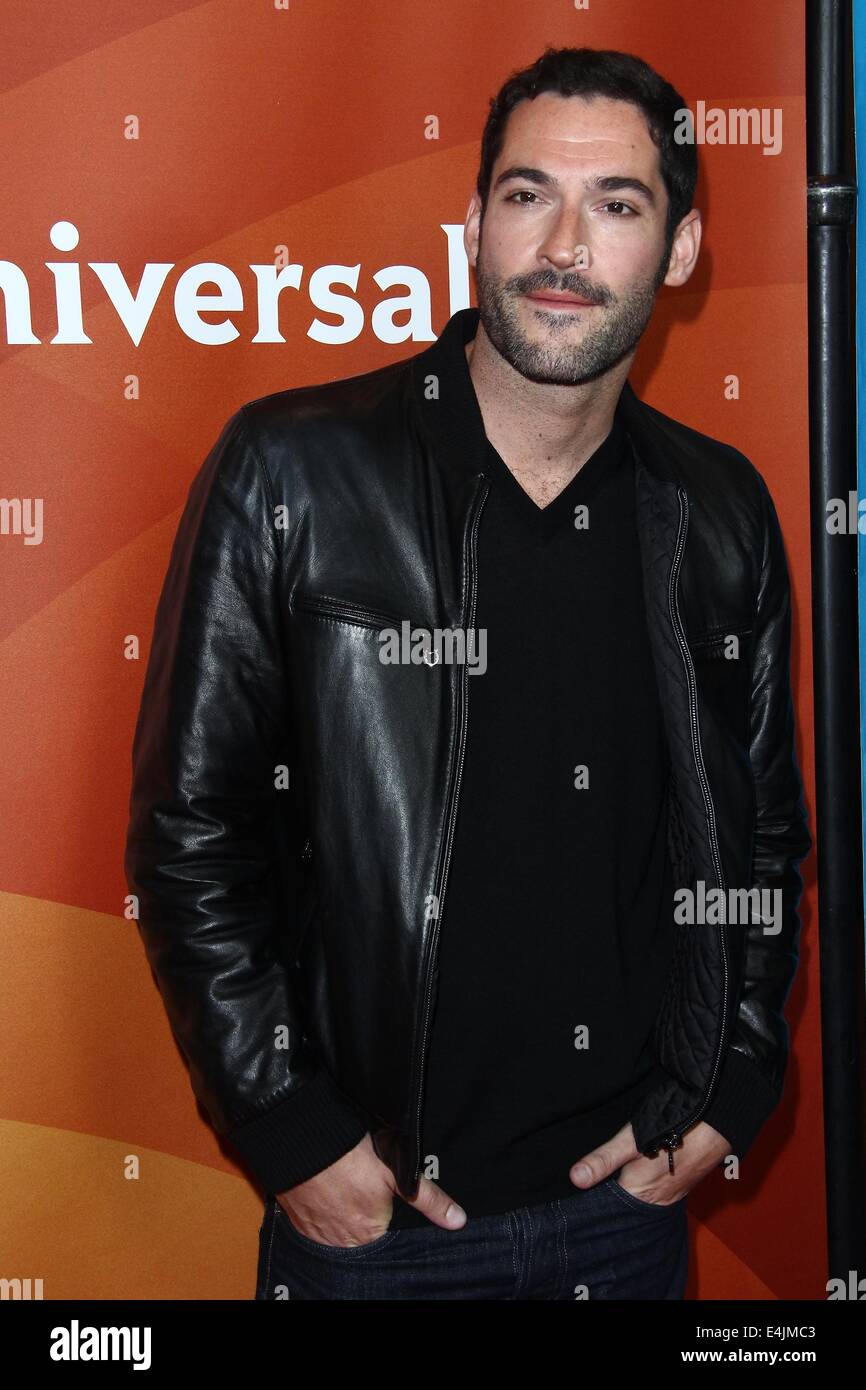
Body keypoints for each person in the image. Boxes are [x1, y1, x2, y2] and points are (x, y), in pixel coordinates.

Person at [125, 46, 812, 1301]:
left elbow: (757, 840)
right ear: (472, 226)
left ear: (678, 249)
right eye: (522, 194)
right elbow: (193, 833)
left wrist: (732, 1078)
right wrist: (291, 1127)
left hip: (626, 1213)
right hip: (375, 1228)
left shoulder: (717, 511)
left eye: (615, 205)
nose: (561, 244)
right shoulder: (294, 472)